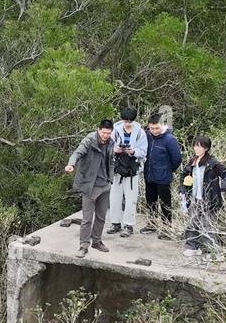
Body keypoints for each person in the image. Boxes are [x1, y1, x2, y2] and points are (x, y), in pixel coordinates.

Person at [64, 118, 115, 255]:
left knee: (101, 216)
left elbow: (110, 161)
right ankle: (83, 246)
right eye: (103, 132)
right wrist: (71, 164)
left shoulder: (111, 142)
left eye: (108, 133)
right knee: (87, 219)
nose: (105, 135)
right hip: (90, 186)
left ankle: (96, 241)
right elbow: (77, 152)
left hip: (105, 185)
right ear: (98, 130)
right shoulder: (89, 140)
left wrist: (111, 178)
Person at [179, 135, 226, 261]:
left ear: (206, 148)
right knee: (192, 223)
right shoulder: (192, 161)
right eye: (196, 146)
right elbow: (183, 176)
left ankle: (213, 252)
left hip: (209, 199)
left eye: (200, 146)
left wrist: (223, 186)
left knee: (208, 226)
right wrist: (183, 189)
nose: (197, 149)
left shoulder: (213, 163)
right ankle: (193, 247)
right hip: (194, 198)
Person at [107, 108, 147, 237]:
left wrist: (133, 151)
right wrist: (115, 150)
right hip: (117, 168)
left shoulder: (140, 133)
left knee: (131, 198)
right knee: (114, 197)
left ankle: (129, 225)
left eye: (130, 121)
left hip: (132, 169)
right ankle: (115, 223)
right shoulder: (115, 131)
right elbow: (107, 147)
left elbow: (143, 151)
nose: (128, 123)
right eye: (126, 121)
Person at [141, 113, 182, 238]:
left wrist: (169, 170)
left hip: (163, 177)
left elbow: (177, 159)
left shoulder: (170, 139)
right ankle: (152, 224)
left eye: (157, 128)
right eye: (151, 128)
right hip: (149, 175)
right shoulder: (147, 136)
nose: (154, 131)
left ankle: (166, 228)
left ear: (163, 125)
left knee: (165, 203)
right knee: (150, 201)